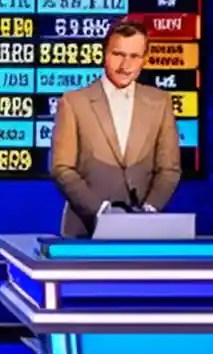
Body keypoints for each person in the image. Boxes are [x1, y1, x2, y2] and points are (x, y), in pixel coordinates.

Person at [50, 18, 181, 237]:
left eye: (134, 56)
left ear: (144, 60)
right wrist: (101, 211)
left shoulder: (160, 102)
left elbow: (169, 168)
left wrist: (149, 212)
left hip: (144, 234)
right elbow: (61, 168)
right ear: (105, 54)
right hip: (85, 231)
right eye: (118, 54)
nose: (125, 65)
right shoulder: (74, 102)